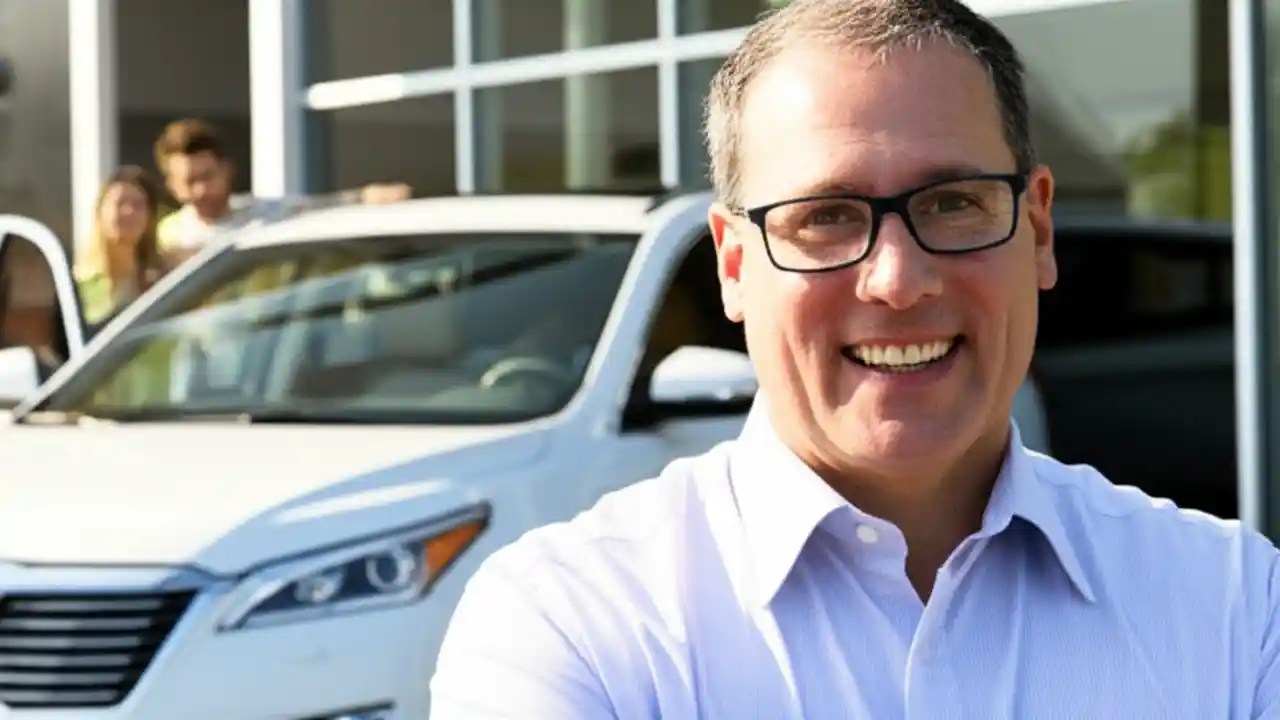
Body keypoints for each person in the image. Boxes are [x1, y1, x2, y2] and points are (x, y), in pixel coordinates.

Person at [429, 1, 1280, 718]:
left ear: (1040, 231)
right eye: (826, 216)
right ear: (733, 264)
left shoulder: (1231, 604)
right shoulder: (576, 625)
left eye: (952, 204)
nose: (898, 279)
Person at [152, 117, 411, 268]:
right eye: (189, 181)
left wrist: (366, 198)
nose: (201, 190)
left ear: (227, 170)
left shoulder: (264, 215)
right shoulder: (166, 235)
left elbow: (319, 207)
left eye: (208, 176)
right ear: (172, 186)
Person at [74, 165, 167, 329]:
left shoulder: (163, 281)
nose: (128, 211)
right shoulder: (78, 283)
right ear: (99, 212)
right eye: (120, 203)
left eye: (138, 205)